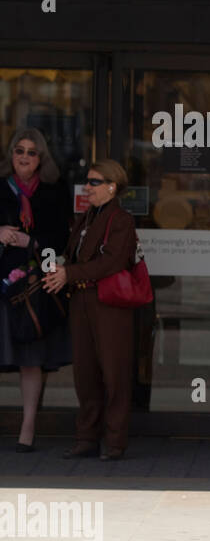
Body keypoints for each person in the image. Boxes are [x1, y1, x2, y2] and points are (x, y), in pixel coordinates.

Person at [42, 159, 138, 461]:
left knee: (114, 374)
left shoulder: (120, 219)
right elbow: (79, 257)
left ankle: (114, 442)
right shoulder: (87, 218)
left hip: (109, 305)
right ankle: (87, 437)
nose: (87, 187)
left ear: (112, 186)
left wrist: (69, 274)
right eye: (87, 181)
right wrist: (63, 270)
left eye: (94, 182)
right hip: (82, 302)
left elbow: (111, 263)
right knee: (85, 374)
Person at [0, 128, 73, 452]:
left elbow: (61, 243)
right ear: (11, 155)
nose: (25, 157)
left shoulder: (54, 193)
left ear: (41, 159)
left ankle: (27, 428)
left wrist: (33, 241)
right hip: (1, 282)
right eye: (19, 151)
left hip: (32, 288)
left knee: (30, 359)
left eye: (31, 152)